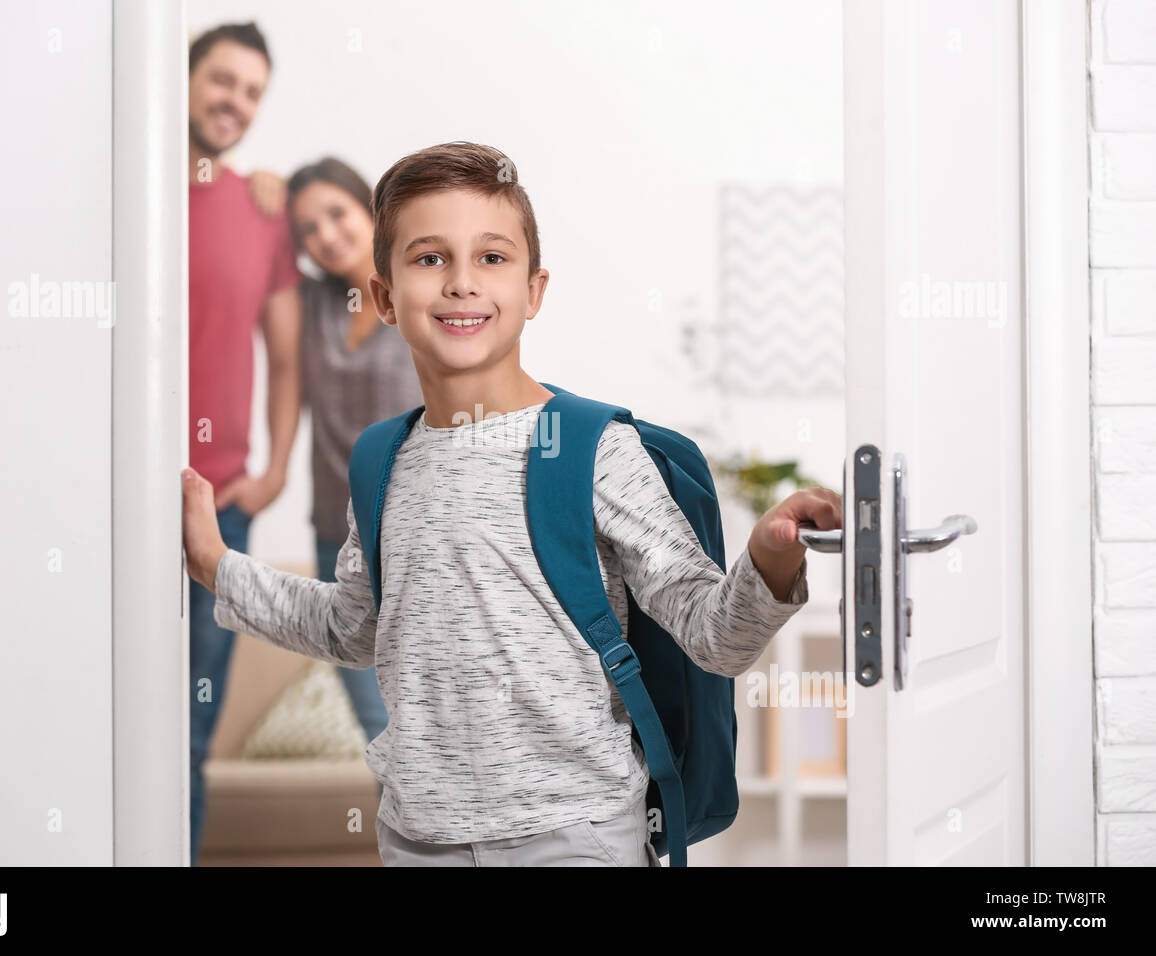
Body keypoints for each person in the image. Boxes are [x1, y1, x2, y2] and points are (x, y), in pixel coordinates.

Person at [181, 141, 843, 866]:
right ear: (385, 297)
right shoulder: (378, 460)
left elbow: (715, 637)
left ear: (533, 289)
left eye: (491, 258)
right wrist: (217, 565)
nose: (462, 283)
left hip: (575, 837)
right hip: (416, 840)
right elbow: (354, 628)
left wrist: (770, 560)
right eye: (430, 258)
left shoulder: (593, 448)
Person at [243, 158, 424, 754]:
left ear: (370, 209)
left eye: (336, 214)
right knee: (379, 729)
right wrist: (259, 192)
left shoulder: (420, 290)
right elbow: (287, 382)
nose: (325, 236)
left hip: (420, 537)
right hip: (337, 537)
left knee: (434, 726)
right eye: (307, 229)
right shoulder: (313, 303)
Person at [186, 21, 304, 865]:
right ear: (185, 79)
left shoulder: (264, 211)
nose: (236, 101)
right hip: (110, 498)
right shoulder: (128, 183)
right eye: (223, 80)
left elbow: (289, 356)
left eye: (252, 90)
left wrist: (273, 473)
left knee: (190, 730)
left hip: (223, 508)